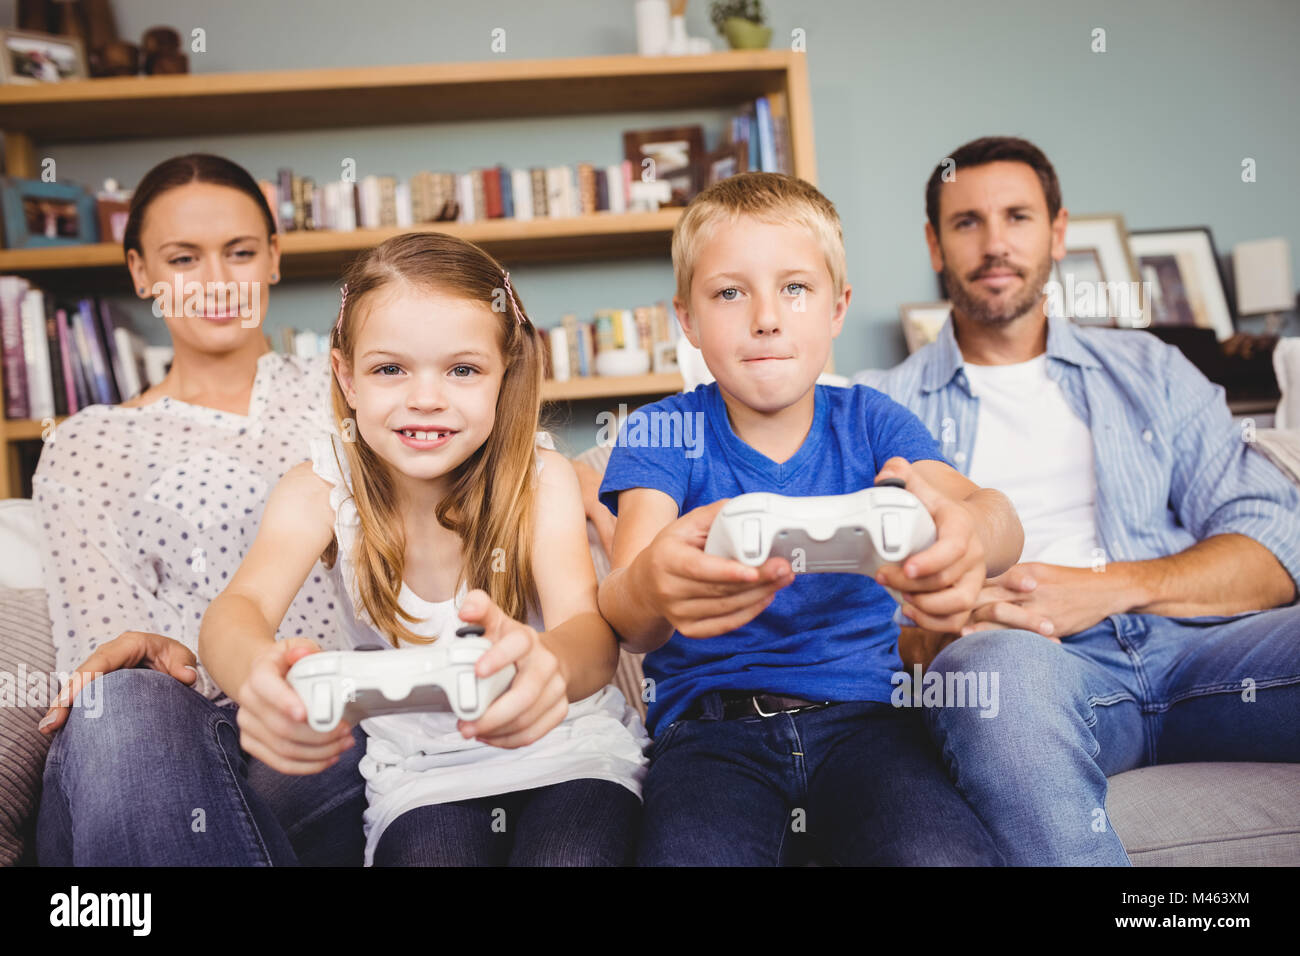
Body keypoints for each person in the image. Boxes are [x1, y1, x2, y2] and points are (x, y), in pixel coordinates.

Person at [856, 135, 1300, 865]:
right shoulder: (877, 408)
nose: (995, 244)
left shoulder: (1152, 370)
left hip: (1204, 651)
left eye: (1018, 217)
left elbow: (1275, 541)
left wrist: (1103, 589)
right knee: (993, 678)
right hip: (1027, 665)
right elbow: (858, 621)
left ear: (1058, 233)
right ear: (935, 245)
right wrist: (933, 633)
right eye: (967, 222)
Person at [597, 171, 1025, 866]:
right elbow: (625, 612)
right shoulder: (661, 432)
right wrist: (653, 582)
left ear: (836, 308)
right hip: (710, 739)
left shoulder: (871, 421)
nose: (766, 316)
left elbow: (995, 516)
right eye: (730, 293)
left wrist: (970, 537)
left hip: (869, 728)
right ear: (688, 318)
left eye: (794, 288)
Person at [199, 231, 648, 867]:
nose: (426, 398)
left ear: (504, 375)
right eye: (390, 369)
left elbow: (591, 638)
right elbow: (236, 608)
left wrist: (546, 665)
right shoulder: (321, 487)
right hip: (422, 776)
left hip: (571, 751)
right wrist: (255, 676)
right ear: (346, 377)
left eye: (462, 369)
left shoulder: (539, 478)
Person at [34, 153, 367, 866]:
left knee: (347, 725)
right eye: (183, 259)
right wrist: (182, 663)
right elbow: (106, 652)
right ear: (141, 274)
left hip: (317, 737)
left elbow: (499, 468)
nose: (216, 283)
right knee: (119, 702)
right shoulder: (87, 444)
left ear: (274, 258)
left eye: (240, 252)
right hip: (149, 744)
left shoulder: (353, 393)